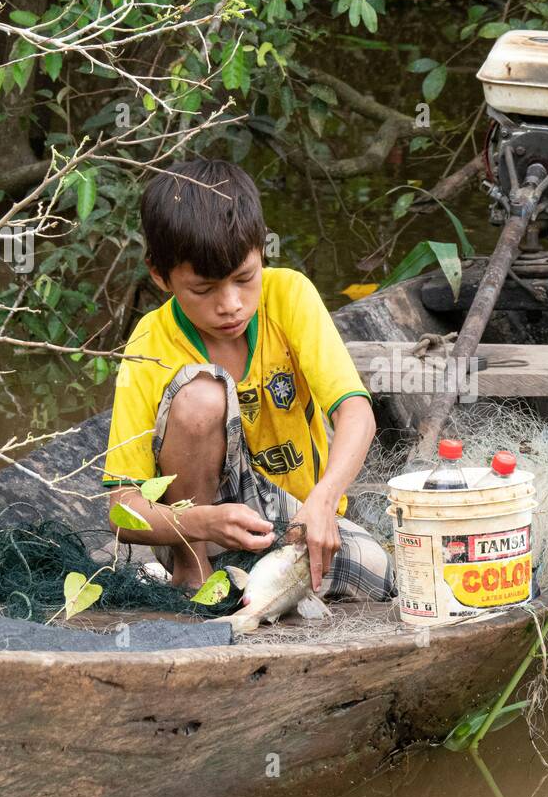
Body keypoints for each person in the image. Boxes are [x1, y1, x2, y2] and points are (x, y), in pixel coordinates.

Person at [101, 157, 394, 603]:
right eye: (204, 290)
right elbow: (124, 510)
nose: (231, 305)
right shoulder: (150, 341)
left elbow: (356, 412)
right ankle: (191, 575)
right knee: (201, 392)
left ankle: (254, 581)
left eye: (245, 279)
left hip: (295, 521)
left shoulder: (290, 294)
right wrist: (202, 523)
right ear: (161, 276)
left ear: (261, 255)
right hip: (194, 530)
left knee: (379, 571)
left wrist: (323, 500)